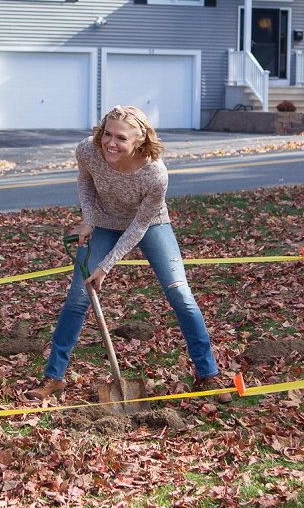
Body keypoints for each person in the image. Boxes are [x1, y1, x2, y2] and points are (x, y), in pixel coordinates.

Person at [26, 105, 232, 404]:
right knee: (77, 298)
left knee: (181, 295)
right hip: (104, 222)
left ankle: (208, 374)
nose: (111, 142)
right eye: (107, 134)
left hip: (149, 224)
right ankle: (54, 377)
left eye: (121, 138)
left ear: (140, 141)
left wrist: (106, 267)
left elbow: (137, 228)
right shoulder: (89, 150)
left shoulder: (155, 174)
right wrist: (89, 218)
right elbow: (85, 179)